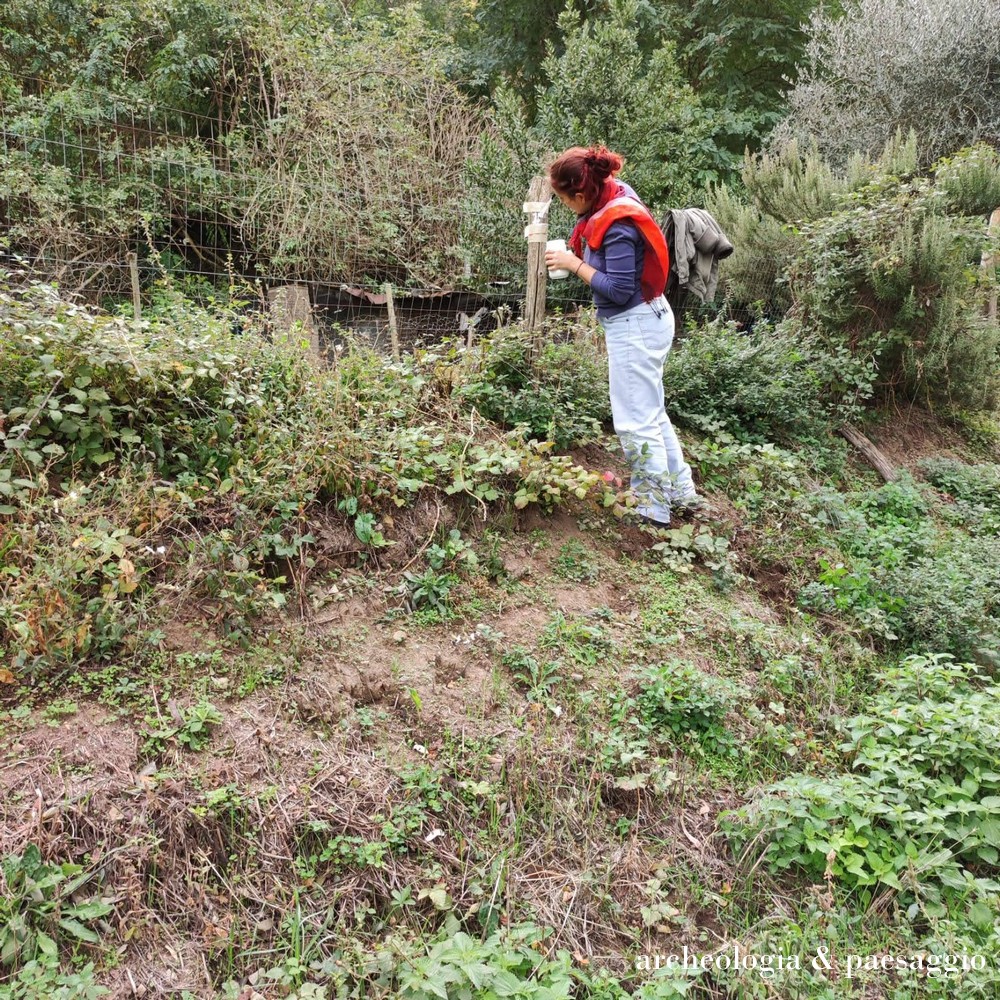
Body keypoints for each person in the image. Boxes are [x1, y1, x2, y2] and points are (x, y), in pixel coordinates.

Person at [544, 145, 699, 526]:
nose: (566, 207)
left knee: (634, 420)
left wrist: (574, 263)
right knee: (653, 412)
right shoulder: (612, 193)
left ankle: (652, 507)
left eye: (564, 200)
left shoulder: (617, 226)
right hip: (650, 316)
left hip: (636, 324)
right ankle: (681, 491)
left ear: (580, 195)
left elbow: (617, 288)